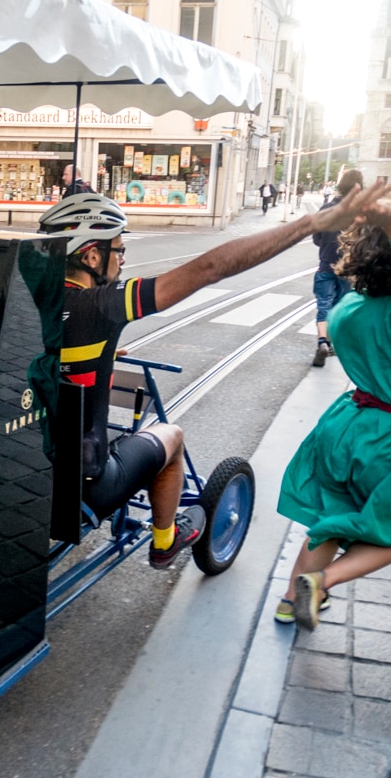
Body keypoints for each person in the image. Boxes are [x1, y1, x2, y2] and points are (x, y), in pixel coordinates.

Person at [38, 185, 370, 570]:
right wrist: (310, 223)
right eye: (118, 250)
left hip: (31, 473)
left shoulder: (31, 303)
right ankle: (165, 541)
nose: (122, 260)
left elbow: (51, 352)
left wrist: (101, 355)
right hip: (83, 488)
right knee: (171, 436)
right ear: (92, 254)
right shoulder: (100, 306)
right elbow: (208, 269)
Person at [276, 182, 391, 629]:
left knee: (331, 517)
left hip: (346, 423)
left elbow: (389, 337)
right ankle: (321, 581)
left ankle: (292, 596)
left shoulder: (349, 307)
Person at [309, 170, 361, 367]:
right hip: (348, 271)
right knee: (340, 307)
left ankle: (322, 342)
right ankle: (330, 343)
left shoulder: (328, 208)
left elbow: (316, 238)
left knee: (323, 305)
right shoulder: (360, 211)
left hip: (325, 267)